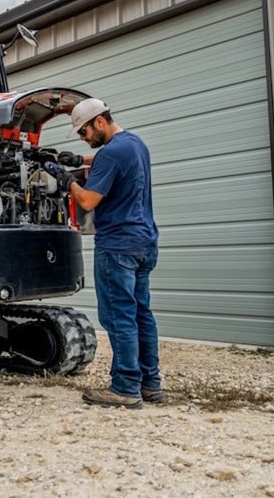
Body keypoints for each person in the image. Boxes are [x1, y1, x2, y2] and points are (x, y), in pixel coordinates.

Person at [44, 98, 162, 409]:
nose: (84, 138)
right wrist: (76, 159)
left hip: (118, 246)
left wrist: (67, 179)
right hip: (144, 242)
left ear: (99, 122)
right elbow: (108, 161)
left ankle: (125, 387)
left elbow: (87, 202)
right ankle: (150, 384)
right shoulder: (135, 144)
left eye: (83, 132)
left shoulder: (109, 154)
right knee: (141, 314)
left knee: (119, 317)